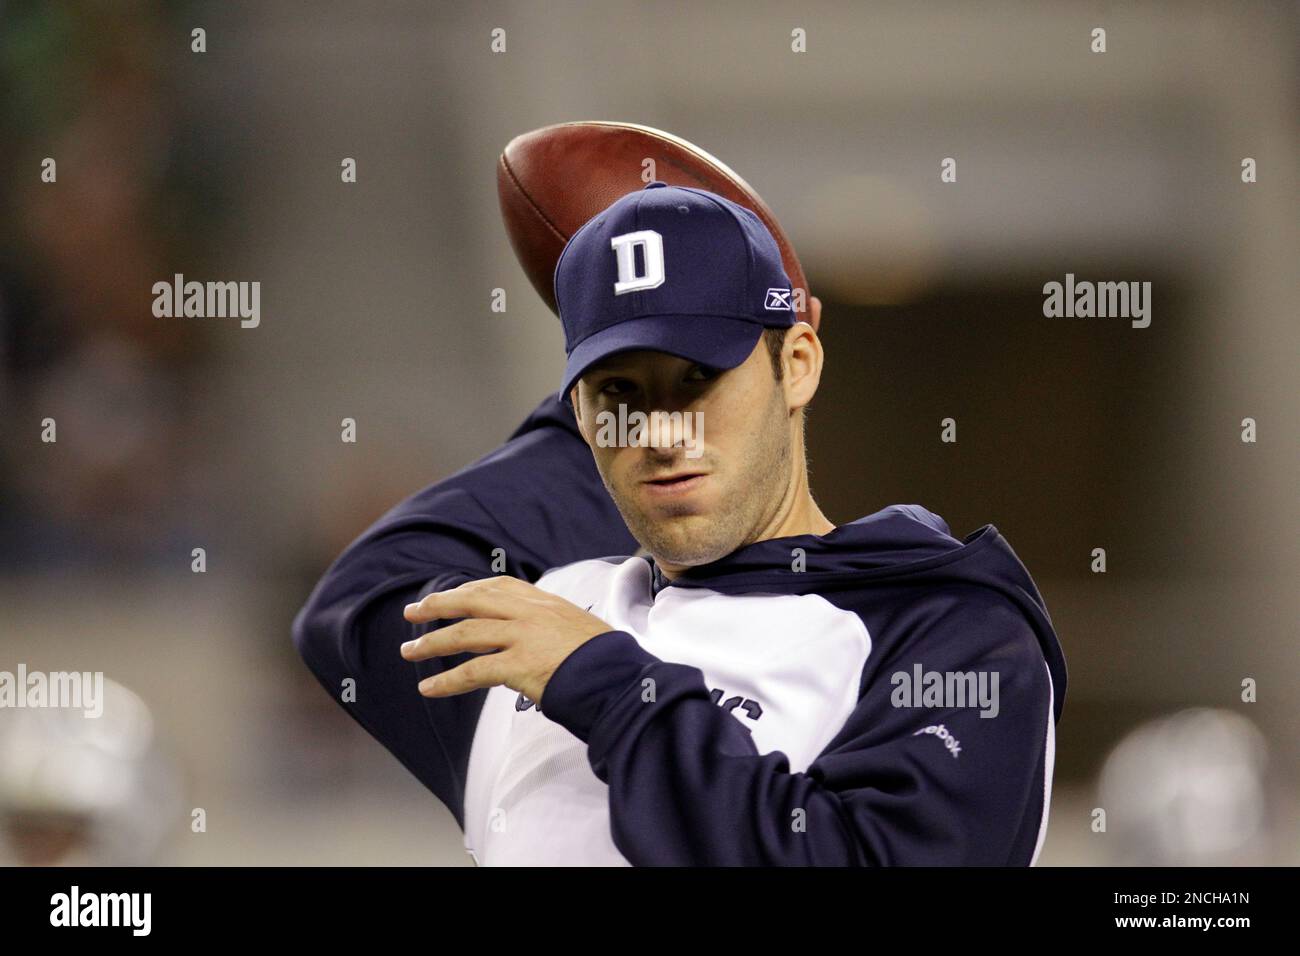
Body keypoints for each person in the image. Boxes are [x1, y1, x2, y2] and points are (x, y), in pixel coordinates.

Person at [292, 181, 1066, 866]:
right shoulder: (548, 611)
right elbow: (360, 597)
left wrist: (610, 687)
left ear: (797, 364)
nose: (661, 434)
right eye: (621, 393)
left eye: (696, 381)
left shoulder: (947, 630)